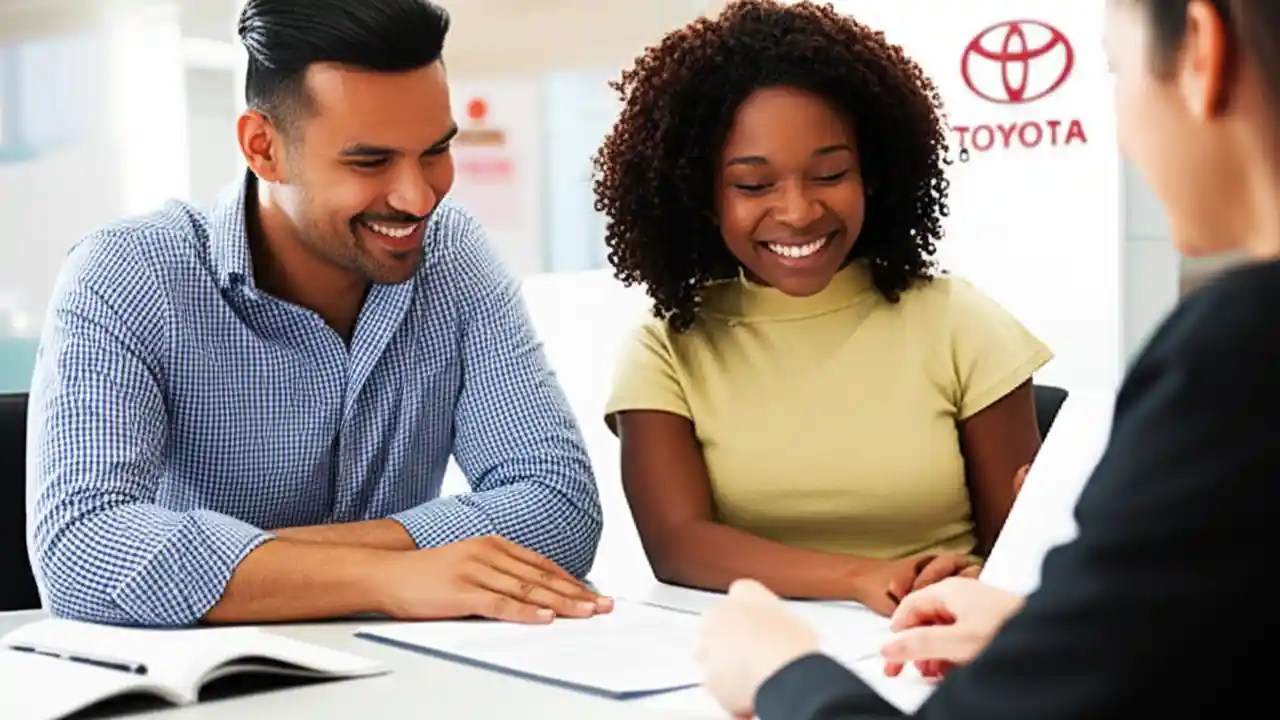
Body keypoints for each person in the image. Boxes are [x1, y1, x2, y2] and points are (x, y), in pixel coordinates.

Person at [695, 0, 1280, 716]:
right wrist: (1054, 627)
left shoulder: (1238, 357)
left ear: (1199, 49)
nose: (1124, 136)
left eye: (1117, 69)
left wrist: (781, 671)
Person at [26, 0, 609, 628]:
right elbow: (81, 549)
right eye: (370, 162)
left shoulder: (452, 255)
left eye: (435, 151)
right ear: (263, 148)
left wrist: (270, 563)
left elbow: (559, 506)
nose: (418, 197)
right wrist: (392, 577)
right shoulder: (129, 273)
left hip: (406, 678)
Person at [594, 0, 1051, 617]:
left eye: (830, 173)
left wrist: (954, 590)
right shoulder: (666, 347)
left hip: (937, 637)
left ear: (873, 175)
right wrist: (862, 577)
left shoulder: (961, 324)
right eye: (754, 185)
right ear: (700, 197)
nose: (799, 211)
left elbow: (1022, 552)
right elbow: (678, 545)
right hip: (742, 661)